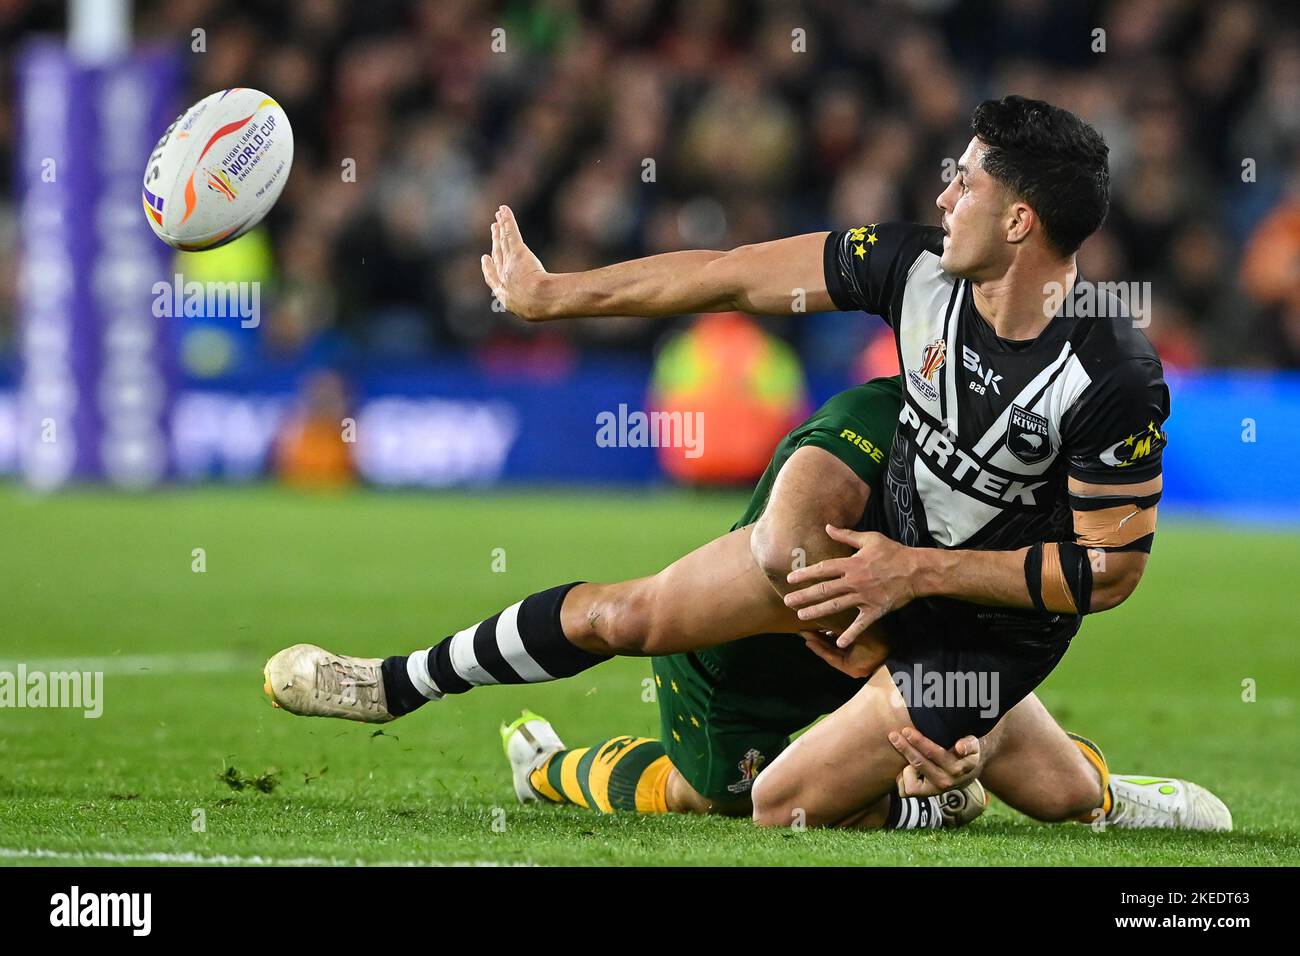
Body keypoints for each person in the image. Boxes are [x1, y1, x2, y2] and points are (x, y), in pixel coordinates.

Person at [264, 96, 1231, 831]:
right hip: (888, 545)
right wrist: (555, 296)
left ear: (1020, 221)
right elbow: (732, 271)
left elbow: (1107, 573)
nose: (944, 195)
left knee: (781, 805)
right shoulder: (916, 268)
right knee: (630, 612)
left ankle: (1001, 787)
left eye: (965, 180)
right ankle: (392, 683)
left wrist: (918, 574)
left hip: (981, 636)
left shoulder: (1113, 371)